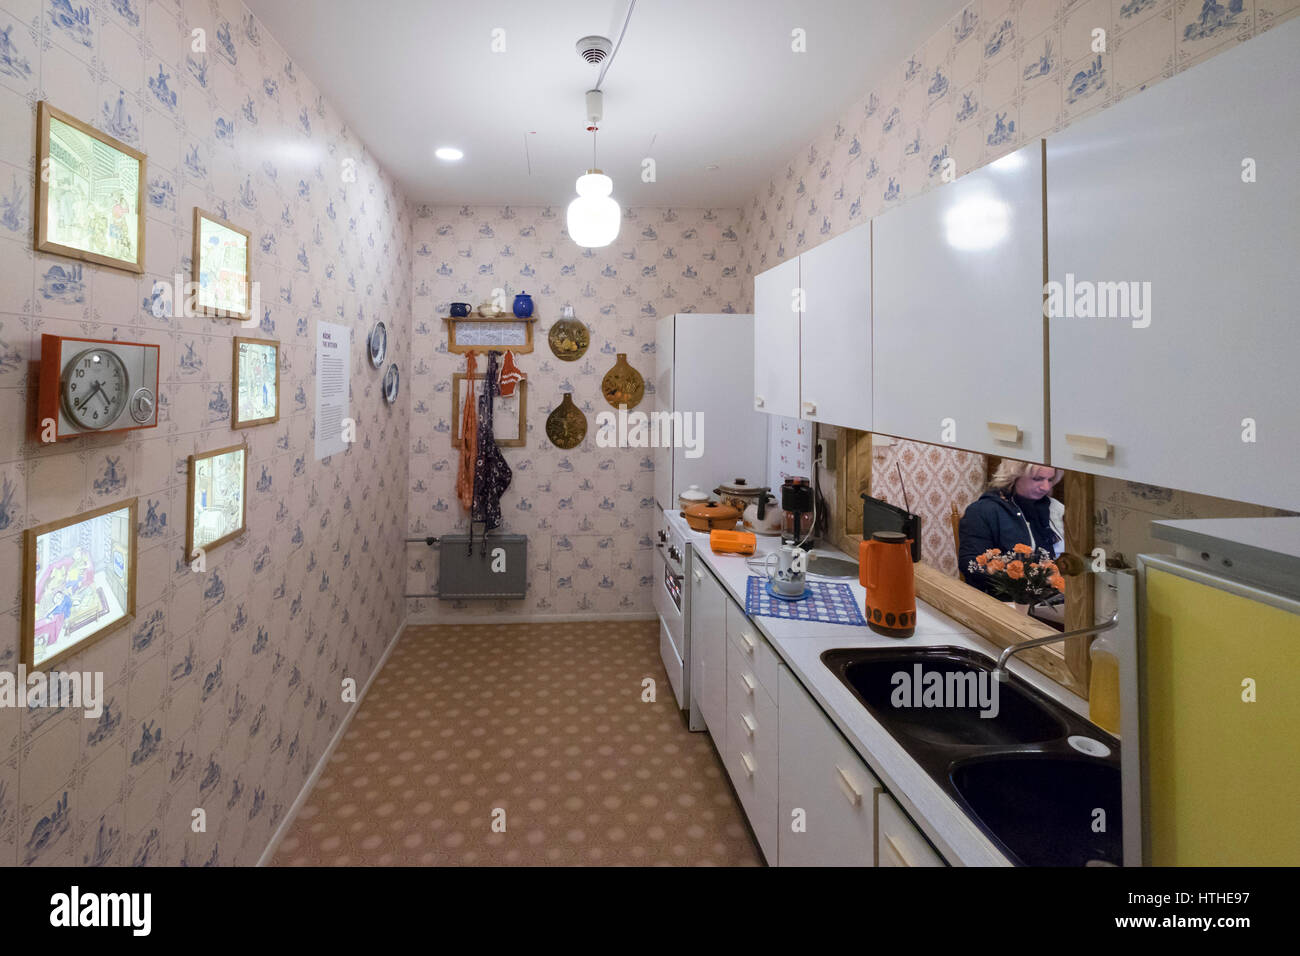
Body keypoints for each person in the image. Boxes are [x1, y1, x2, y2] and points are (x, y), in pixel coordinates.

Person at [958, 460, 1064, 597]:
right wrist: (1020, 579)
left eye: (1050, 480)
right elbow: (970, 564)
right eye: (1038, 479)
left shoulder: (1055, 509)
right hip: (1005, 602)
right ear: (1014, 476)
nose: (1045, 487)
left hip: (1053, 600)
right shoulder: (983, 511)